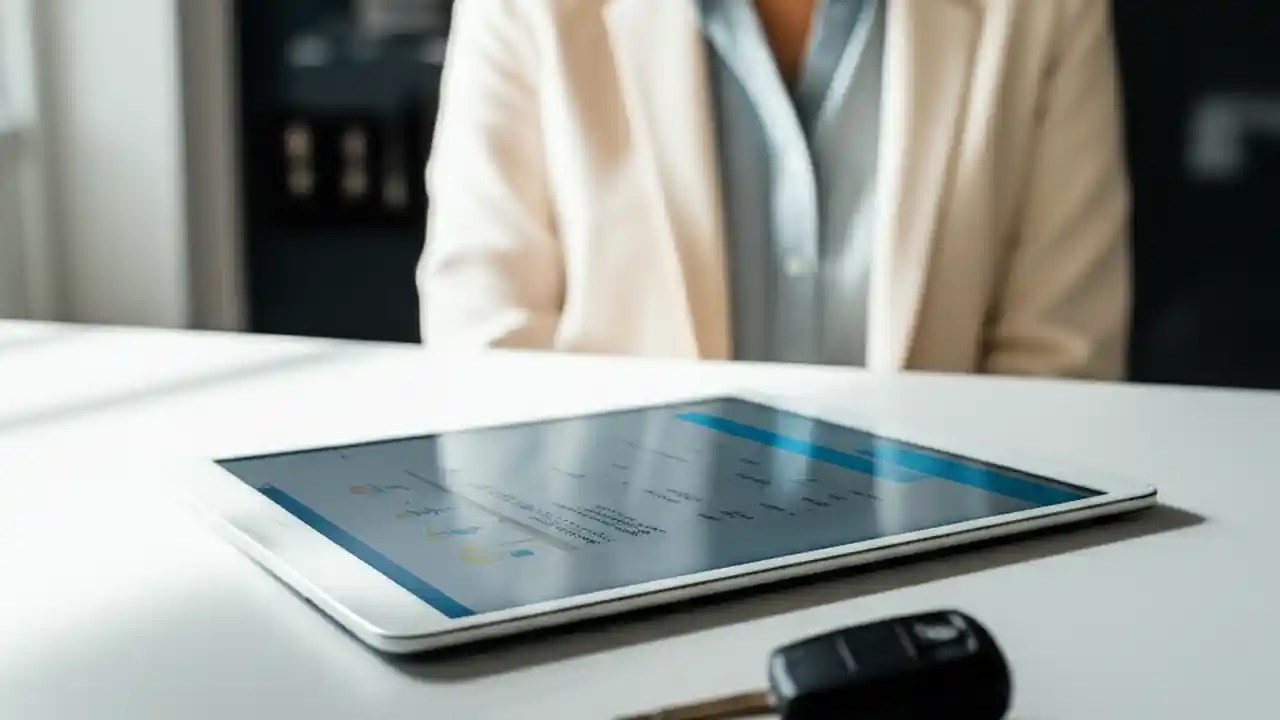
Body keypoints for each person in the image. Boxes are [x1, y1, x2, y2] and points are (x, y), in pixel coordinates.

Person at [418, 0, 1131, 378]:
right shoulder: (520, 8)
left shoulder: (1045, 11)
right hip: (616, 580)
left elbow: (1059, 366)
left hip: (940, 580)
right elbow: (485, 350)